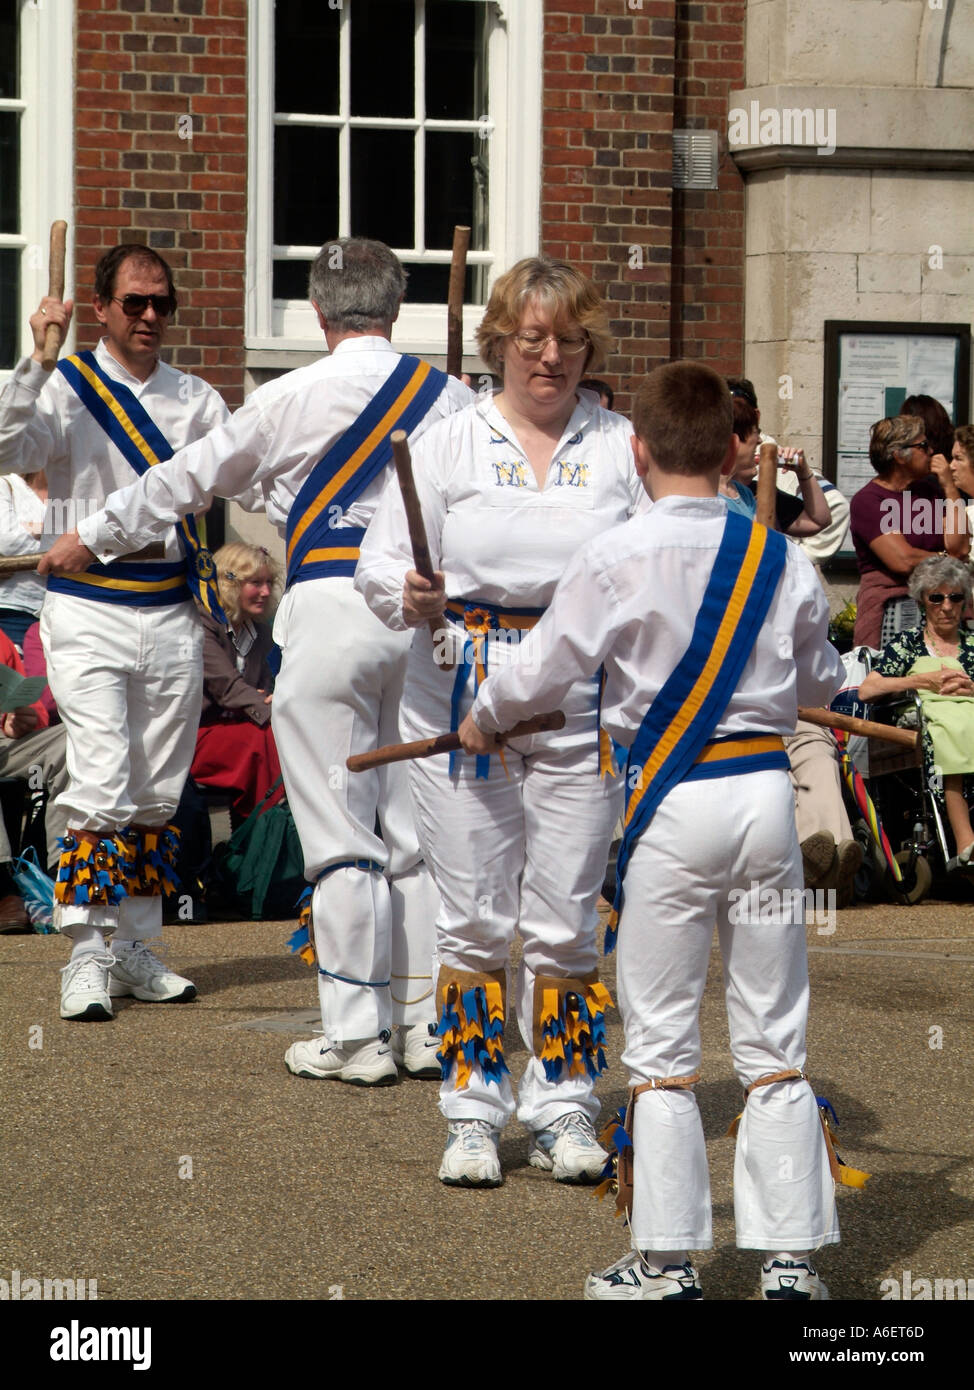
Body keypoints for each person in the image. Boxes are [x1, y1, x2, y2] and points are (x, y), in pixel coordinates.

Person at [41, 238, 472, 1079]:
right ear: (396, 307)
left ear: (317, 312)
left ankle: (355, 1037)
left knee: (343, 834)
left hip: (331, 613)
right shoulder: (453, 398)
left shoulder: (286, 399)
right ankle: (425, 1026)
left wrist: (89, 535)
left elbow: (183, 482)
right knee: (417, 836)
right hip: (425, 621)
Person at [458, 360, 843, 1299]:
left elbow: (542, 667)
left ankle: (665, 1266)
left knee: (664, 1041)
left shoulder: (613, 554)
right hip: (761, 797)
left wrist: (482, 714)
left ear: (638, 450)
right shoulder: (780, 557)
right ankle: (788, 1260)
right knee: (773, 1028)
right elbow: (821, 686)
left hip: (669, 805)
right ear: (730, 450)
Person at [356, 256, 642, 1188]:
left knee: (565, 924)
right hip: (456, 700)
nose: (549, 355)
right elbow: (375, 565)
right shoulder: (445, 444)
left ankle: (563, 1102)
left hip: (579, 703)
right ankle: (472, 1107)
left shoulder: (620, 447)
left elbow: (662, 559)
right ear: (498, 345)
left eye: (567, 339)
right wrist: (409, 591)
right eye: (531, 339)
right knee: (473, 921)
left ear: (589, 345)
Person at [1, 243, 229, 1020]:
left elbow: (236, 472)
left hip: (169, 610)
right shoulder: (64, 388)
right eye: (134, 303)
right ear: (101, 307)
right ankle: (86, 951)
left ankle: (135, 944)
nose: (149, 317)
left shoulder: (197, 399)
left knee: (157, 791)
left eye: (162, 303)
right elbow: (4, 448)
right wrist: (35, 358)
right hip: (89, 609)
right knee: (99, 780)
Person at [858, 555, 974, 865]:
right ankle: (966, 842)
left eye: (955, 597)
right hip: (933, 722)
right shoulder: (907, 643)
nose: (946, 606)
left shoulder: (973, 644)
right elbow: (868, 689)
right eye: (937, 597)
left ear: (965, 601)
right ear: (923, 601)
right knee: (951, 731)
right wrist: (920, 680)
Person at [850, 415, 968, 649]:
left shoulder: (929, 491)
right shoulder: (869, 500)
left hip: (942, 609)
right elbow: (903, 560)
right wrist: (948, 559)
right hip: (894, 610)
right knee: (897, 682)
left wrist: (949, 487)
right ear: (899, 455)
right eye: (923, 446)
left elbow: (960, 546)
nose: (932, 451)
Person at [191, 542, 282, 818]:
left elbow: (261, 692)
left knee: (277, 735)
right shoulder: (200, 623)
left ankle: (266, 827)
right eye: (256, 583)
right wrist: (268, 707)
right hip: (195, 735)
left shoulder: (263, 634)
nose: (265, 592)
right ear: (229, 585)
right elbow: (227, 687)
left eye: (269, 583)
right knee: (265, 736)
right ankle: (263, 826)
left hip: (241, 728)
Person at [728, 376, 850, 563]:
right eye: (754, 433)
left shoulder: (758, 492)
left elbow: (819, 521)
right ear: (732, 443)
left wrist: (804, 473)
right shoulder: (709, 498)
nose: (760, 440)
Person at [0, 625, 69, 929]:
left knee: (73, 739)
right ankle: (3, 889)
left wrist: (18, 719)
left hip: (5, 743)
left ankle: (62, 877)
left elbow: (34, 707)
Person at [0, 470, 48, 648]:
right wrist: (62, 547)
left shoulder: (73, 495)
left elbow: (87, 544)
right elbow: (8, 543)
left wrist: (35, 529)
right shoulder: (7, 484)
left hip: (58, 612)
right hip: (11, 609)